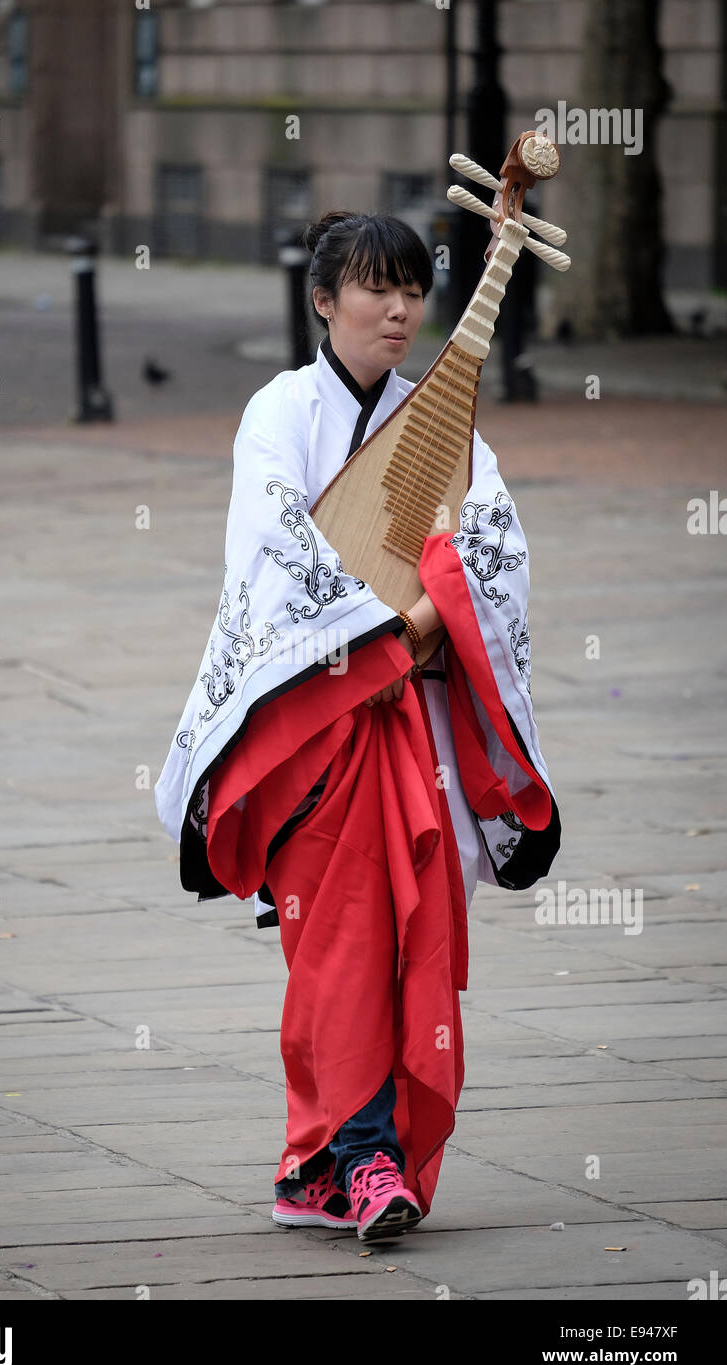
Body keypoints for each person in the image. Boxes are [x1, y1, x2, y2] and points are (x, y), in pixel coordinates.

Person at [154, 211, 561, 1243]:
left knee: (407, 940)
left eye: (411, 290)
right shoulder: (278, 411)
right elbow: (272, 549)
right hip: (311, 736)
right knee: (338, 945)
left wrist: (423, 624)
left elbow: (494, 553)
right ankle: (367, 1159)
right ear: (322, 299)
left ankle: (322, 1162)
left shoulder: (442, 419)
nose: (396, 309)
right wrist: (381, 632)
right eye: (373, 288)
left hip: (409, 722)